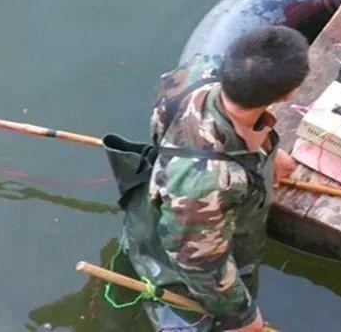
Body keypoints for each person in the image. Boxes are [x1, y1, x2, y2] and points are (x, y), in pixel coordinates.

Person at [118, 26, 310, 332]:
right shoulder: (209, 184)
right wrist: (241, 317)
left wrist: (270, 152)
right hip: (184, 246)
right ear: (288, 94)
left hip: (175, 197)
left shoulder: (195, 72)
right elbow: (199, 264)